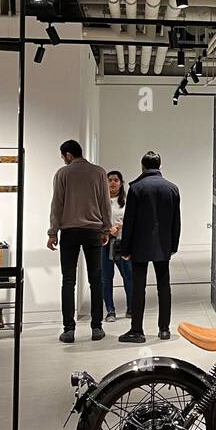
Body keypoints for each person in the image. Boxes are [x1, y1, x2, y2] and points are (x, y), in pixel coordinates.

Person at [47, 139, 111, 344]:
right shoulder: (99, 172)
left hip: (70, 232)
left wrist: (52, 232)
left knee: (68, 280)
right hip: (93, 231)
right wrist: (106, 228)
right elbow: (105, 203)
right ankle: (97, 327)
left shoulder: (62, 174)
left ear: (67, 155)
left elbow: (57, 204)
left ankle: (69, 329)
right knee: (96, 279)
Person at [117, 150, 181, 343]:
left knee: (139, 287)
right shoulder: (172, 188)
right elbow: (176, 221)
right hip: (163, 245)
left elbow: (129, 221)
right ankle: (164, 329)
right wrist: (173, 245)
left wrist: (125, 249)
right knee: (164, 286)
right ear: (160, 166)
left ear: (142, 166)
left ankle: (137, 330)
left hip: (139, 246)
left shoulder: (136, 188)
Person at [102, 170, 133, 322]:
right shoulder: (100, 201)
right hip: (105, 243)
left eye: (116, 180)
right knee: (106, 278)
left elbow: (132, 220)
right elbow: (96, 220)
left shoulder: (127, 201)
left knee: (128, 276)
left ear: (121, 183)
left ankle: (131, 308)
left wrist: (120, 226)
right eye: (110, 180)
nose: (113, 183)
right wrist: (109, 230)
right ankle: (110, 310)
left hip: (123, 243)